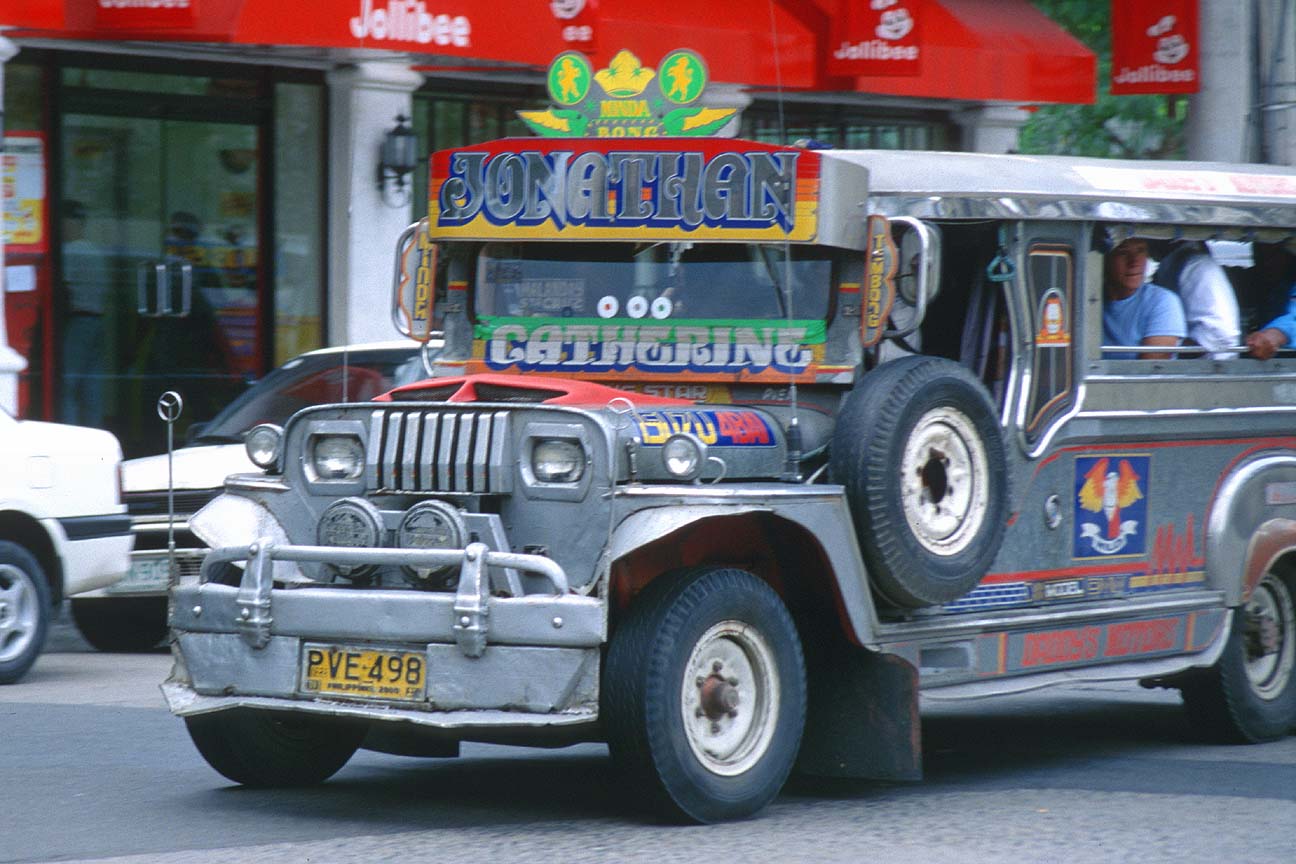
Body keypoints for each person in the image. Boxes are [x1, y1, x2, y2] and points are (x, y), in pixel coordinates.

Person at [59, 199, 111, 426]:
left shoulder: (70, 251)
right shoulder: (94, 251)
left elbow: (63, 289)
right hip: (97, 321)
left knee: (66, 387)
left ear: (70, 222)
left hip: (77, 322)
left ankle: (67, 435)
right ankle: (95, 433)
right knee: (92, 388)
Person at [1151, 240, 1241, 359]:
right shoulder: (1172, 263)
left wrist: (1162, 344)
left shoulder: (1197, 265)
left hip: (1210, 369)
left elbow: (1217, 335)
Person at [1102, 237, 1186, 360]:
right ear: (1105, 259)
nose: (1134, 262)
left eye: (1140, 250)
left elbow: (1150, 370)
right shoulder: (1088, 298)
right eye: (1123, 252)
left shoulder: (1162, 301)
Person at [1243, 242, 1296, 360]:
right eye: (1259, 251)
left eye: (1276, 251)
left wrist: (1278, 332)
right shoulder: (1251, 279)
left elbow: (1294, 319)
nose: (1266, 259)